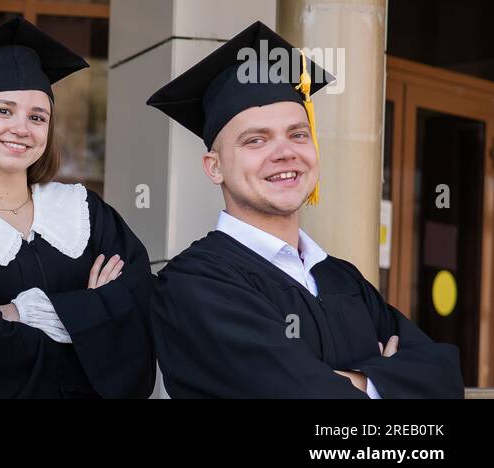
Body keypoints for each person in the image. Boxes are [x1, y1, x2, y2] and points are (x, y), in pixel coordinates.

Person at [146, 21, 463, 398]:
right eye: (256, 140)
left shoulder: (343, 280)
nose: (285, 152)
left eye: (298, 134)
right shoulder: (194, 285)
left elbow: (443, 378)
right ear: (214, 167)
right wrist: (385, 380)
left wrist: (351, 382)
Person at [0, 17, 156, 398]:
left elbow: (140, 304)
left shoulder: (85, 210)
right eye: (4, 110)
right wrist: (92, 309)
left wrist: (20, 312)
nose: (22, 128)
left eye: (37, 116)